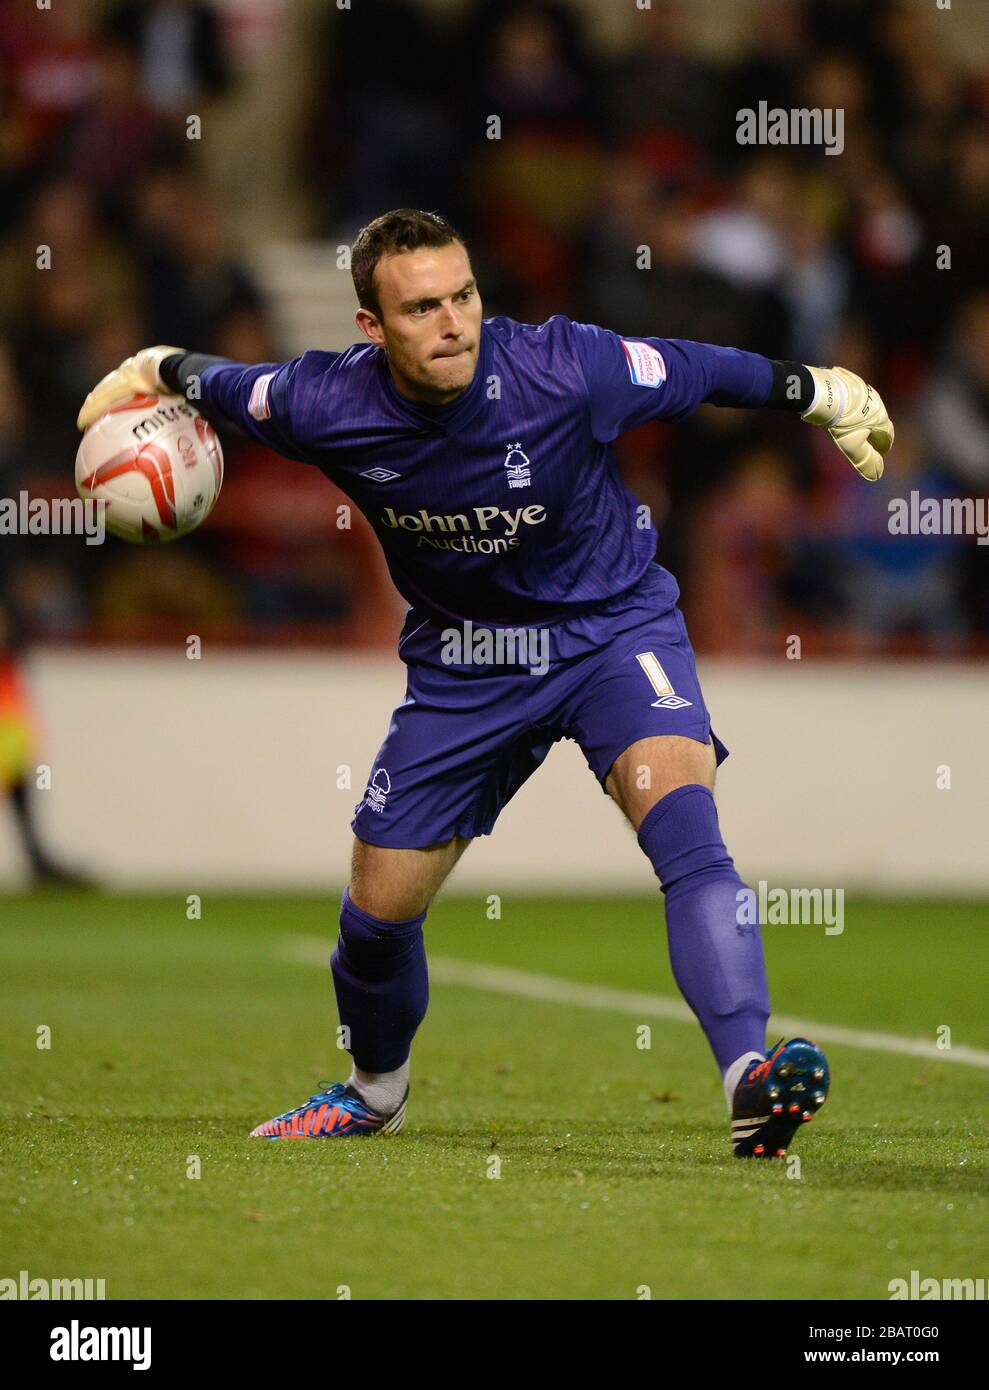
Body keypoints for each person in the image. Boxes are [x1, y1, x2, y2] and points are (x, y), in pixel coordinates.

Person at [77, 209, 894, 1156]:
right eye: (421, 308)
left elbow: (699, 369)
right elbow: (223, 386)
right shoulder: (319, 404)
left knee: (687, 831)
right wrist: (151, 367)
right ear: (371, 331)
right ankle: (373, 1090)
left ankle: (746, 1079)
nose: (454, 321)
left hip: (611, 628)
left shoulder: (564, 367)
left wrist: (816, 389)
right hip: (467, 665)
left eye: (462, 295)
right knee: (376, 917)